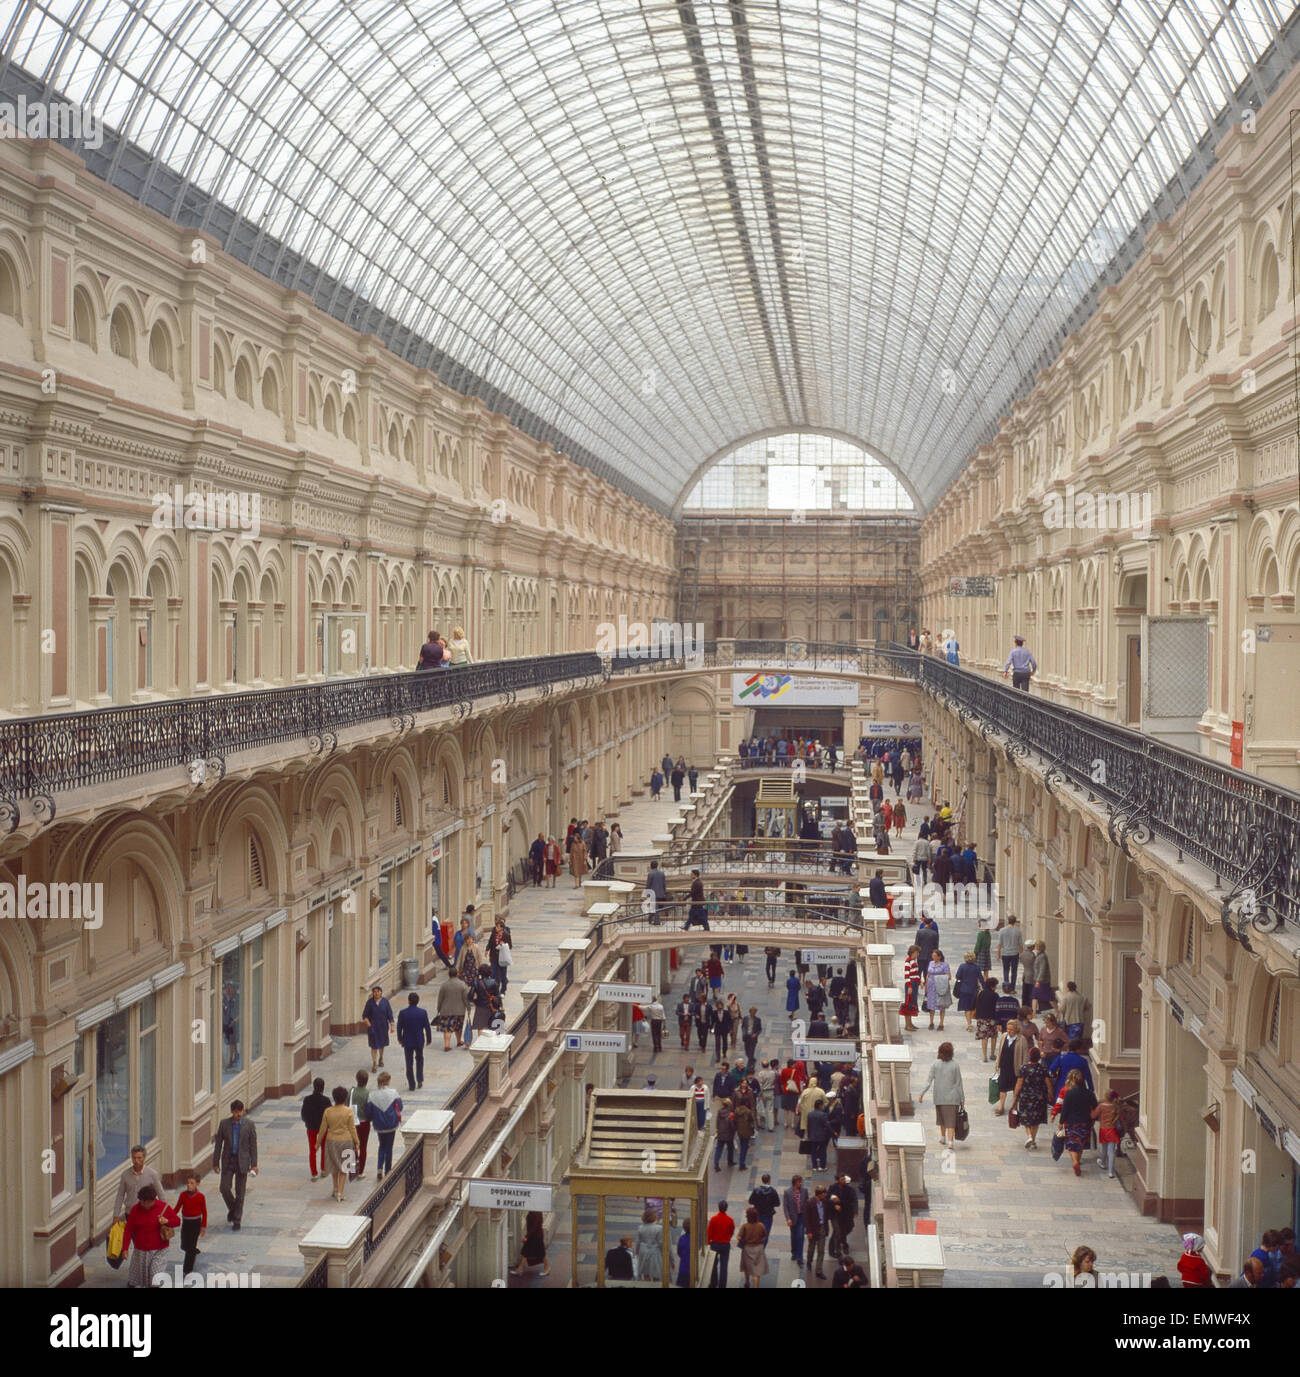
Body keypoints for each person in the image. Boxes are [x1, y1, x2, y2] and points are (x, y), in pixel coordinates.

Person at [121, 1184, 180, 1289]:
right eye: (141, 1201)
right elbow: (128, 1229)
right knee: (136, 1279)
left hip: (159, 1249)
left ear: (153, 1200)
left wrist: (167, 1221)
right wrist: (125, 1248)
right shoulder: (135, 1209)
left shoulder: (163, 1207)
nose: (143, 1204)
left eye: (146, 1202)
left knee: (155, 1277)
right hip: (140, 1251)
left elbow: (177, 1221)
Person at [211, 1099, 257, 1230]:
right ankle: (233, 1209)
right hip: (228, 1160)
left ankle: (237, 1219)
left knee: (240, 1192)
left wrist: (254, 1164)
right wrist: (215, 1162)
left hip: (242, 1161)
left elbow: (253, 1146)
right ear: (232, 1112)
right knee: (224, 1188)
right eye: (236, 1112)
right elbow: (219, 1144)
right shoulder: (224, 1124)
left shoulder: (249, 1125)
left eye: (240, 1111)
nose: (238, 1114)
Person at [918, 1042, 965, 1149]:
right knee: (951, 1121)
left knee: (942, 1119)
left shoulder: (935, 1064)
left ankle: (943, 1137)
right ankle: (951, 1142)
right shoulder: (955, 1065)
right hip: (953, 1098)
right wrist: (962, 1099)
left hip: (939, 1097)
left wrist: (921, 1094)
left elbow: (928, 1081)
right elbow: (958, 1083)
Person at [319, 1085, 360, 1203]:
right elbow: (352, 1129)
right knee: (344, 1168)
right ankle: (340, 1193)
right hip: (346, 1141)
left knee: (334, 1166)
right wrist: (357, 1142)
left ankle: (335, 1188)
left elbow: (323, 1129)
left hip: (331, 1141)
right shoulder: (349, 1111)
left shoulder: (328, 1111)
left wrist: (317, 1143)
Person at [1059, 1068, 1099, 1177]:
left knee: (1072, 1145)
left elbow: (1065, 1109)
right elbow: (1095, 1107)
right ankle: (1078, 1161)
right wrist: (1094, 1119)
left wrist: (1061, 1122)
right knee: (1080, 1144)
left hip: (1071, 1122)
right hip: (1085, 1122)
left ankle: (1075, 1161)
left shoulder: (1069, 1093)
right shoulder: (1089, 1093)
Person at [112, 1144, 164, 1224]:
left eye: (139, 1158)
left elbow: (161, 1194)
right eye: (134, 1158)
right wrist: (116, 1215)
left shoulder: (152, 1174)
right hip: (130, 1213)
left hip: (147, 1213)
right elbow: (120, 1195)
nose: (136, 1160)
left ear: (144, 1158)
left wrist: (163, 1213)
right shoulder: (125, 1174)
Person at [366, 1070, 403, 1180]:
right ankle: (388, 1170)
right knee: (389, 1147)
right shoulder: (394, 1093)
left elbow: (368, 1112)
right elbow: (400, 1107)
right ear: (388, 1081)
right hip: (391, 1125)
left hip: (379, 1125)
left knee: (381, 1145)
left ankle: (379, 1168)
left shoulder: (372, 1095)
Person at [1012, 1046, 1051, 1149]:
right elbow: (1048, 1083)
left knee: (1025, 1117)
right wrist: (1051, 1093)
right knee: (1036, 1120)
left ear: (1029, 1056)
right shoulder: (1043, 1068)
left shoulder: (1024, 1068)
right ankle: (1033, 1141)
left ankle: (1029, 1136)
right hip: (1040, 1097)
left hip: (1026, 1097)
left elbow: (1019, 1084)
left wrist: (1015, 1095)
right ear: (1039, 1057)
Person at [396, 991, 432, 1091]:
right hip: (419, 1040)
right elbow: (427, 1027)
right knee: (419, 1060)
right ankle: (419, 1079)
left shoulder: (403, 1013)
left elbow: (399, 1027)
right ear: (418, 1001)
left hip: (407, 1041)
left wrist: (399, 1038)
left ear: (408, 1001)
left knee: (409, 1062)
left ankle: (411, 1084)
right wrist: (429, 1039)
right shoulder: (423, 1012)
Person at [174, 1172, 207, 1276]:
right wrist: (169, 1217)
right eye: (188, 1183)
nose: (189, 1185)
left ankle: (187, 1270)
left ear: (197, 1184)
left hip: (196, 1224)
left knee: (190, 1248)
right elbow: (177, 1207)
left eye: (192, 1183)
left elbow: (204, 1212)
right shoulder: (183, 1195)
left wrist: (203, 1227)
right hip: (186, 1223)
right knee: (184, 1245)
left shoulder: (200, 1197)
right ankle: (193, 1251)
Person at [994, 1019, 1030, 1115]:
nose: (1009, 1031)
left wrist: (1024, 1069)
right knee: (1002, 1087)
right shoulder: (1004, 1036)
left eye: (1011, 1029)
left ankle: (1014, 1107)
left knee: (1016, 1089)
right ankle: (1001, 1107)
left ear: (1016, 1030)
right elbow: (1000, 1051)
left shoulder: (1022, 1040)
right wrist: (997, 1063)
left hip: (1016, 1069)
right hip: (1004, 1067)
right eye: (1008, 1029)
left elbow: (1025, 1056)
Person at [301, 1076, 330, 1179]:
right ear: (323, 1087)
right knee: (324, 1148)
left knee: (312, 1150)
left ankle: (314, 1173)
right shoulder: (326, 1100)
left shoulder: (307, 1099)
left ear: (313, 1087)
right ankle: (323, 1169)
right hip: (323, 1128)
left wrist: (307, 1122)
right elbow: (329, 1116)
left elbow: (303, 1114)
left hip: (311, 1127)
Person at [362, 984, 394, 1072]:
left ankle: (381, 1058)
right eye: (374, 992)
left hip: (383, 1027)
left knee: (381, 1045)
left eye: (378, 991)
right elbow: (365, 1016)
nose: (376, 993)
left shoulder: (385, 1002)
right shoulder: (369, 1003)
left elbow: (390, 1014)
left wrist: (392, 1025)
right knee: (374, 1046)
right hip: (373, 1028)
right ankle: (374, 1063)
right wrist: (369, 1026)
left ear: (381, 992)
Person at [510, 1210, 550, 1279]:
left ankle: (547, 1268)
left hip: (536, 1236)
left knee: (540, 1252)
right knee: (526, 1251)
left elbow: (534, 1226)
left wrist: (527, 1237)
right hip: (535, 1235)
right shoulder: (534, 1211)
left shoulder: (536, 1212)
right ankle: (520, 1268)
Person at [1091, 1088, 1122, 1178]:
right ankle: (1110, 1172)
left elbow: (1093, 1115)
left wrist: (1091, 1109)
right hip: (1112, 1130)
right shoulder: (1115, 1106)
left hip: (1103, 1130)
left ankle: (1103, 1162)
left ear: (1105, 1097)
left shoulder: (1101, 1106)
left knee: (1104, 1149)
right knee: (1111, 1151)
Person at [435, 971, 469, 1051]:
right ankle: (459, 1041)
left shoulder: (444, 985)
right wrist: (468, 1007)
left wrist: (438, 1008)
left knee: (447, 1029)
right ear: (457, 974)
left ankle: (447, 1045)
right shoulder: (462, 984)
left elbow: (440, 998)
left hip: (446, 1010)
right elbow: (465, 998)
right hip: (459, 1010)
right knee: (458, 1027)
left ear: (449, 975)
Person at [827, 1174, 858, 1259]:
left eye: (844, 1179)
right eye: (842, 1179)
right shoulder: (832, 1188)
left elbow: (853, 1200)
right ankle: (835, 1250)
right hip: (835, 1214)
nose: (844, 1181)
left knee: (847, 1229)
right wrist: (834, 1205)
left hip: (845, 1213)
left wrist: (855, 1211)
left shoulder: (849, 1189)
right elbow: (826, 1200)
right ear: (838, 1180)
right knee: (837, 1231)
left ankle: (843, 1244)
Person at [737, 1206, 769, 1287]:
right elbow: (764, 1235)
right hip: (758, 1249)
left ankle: (747, 1282)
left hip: (747, 1248)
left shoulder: (744, 1226)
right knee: (756, 1272)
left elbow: (739, 1237)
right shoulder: (760, 1225)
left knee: (747, 1268)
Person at [347, 1070, 371, 1178]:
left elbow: (346, 1105)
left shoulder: (350, 1092)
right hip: (364, 1123)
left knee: (353, 1146)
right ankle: (360, 1171)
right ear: (367, 1081)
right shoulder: (367, 1093)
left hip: (352, 1123)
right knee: (363, 1147)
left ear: (356, 1079)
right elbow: (370, 1110)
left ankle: (352, 1170)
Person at [804, 1185, 830, 1278]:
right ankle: (809, 1261)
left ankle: (818, 1271)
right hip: (813, 1229)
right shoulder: (810, 1202)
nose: (825, 1195)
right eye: (824, 1193)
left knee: (821, 1250)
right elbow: (806, 1219)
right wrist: (808, 1232)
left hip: (822, 1228)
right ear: (819, 1194)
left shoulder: (825, 1202)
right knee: (811, 1248)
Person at [707, 1201, 735, 1288]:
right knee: (724, 1265)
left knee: (713, 1265)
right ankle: (722, 1285)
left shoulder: (713, 1219)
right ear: (726, 1208)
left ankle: (713, 1283)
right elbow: (731, 1231)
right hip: (725, 1244)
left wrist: (708, 1243)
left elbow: (709, 1233)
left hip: (715, 1244)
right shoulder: (730, 1220)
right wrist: (727, 1238)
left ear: (718, 1207)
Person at [925, 948, 952, 1031]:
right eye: (932, 956)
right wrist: (926, 985)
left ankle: (941, 1023)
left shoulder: (944, 965)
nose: (933, 957)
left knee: (941, 1005)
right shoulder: (930, 963)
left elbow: (949, 976)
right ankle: (931, 1022)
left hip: (940, 987)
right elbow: (928, 974)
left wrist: (938, 978)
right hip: (931, 986)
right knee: (931, 1006)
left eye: (935, 956)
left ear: (939, 957)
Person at [783, 1175, 808, 1267]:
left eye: (801, 1181)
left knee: (800, 1237)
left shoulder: (804, 1191)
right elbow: (785, 1206)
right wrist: (788, 1218)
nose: (801, 1183)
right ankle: (794, 1252)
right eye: (799, 1182)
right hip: (793, 1217)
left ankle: (799, 1258)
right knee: (794, 1236)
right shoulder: (787, 1192)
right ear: (795, 1182)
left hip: (801, 1216)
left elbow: (807, 1203)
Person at [954, 951, 981, 1032]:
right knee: (973, 1007)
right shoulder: (977, 967)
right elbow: (981, 978)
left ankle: (969, 1024)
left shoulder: (962, 966)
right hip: (974, 990)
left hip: (964, 990)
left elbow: (957, 976)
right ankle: (971, 1022)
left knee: (967, 1008)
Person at [750, 1174, 780, 1245]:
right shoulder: (773, 1191)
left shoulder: (756, 1190)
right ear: (769, 1180)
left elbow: (751, 1201)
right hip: (768, 1215)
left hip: (757, 1214)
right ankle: (762, 1249)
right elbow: (777, 1203)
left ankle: (756, 1247)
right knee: (765, 1233)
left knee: (757, 1232)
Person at [635, 1208, 664, 1283]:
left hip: (643, 1251)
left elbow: (638, 1241)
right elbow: (661, 1242)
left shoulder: (640, 1227)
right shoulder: (659, 1228)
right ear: (654, 1217)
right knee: (656, 1274)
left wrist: (636, 1251)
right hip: (655, 1252)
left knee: (645, 1273)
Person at [486, 918, 513, 995]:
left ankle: (503, 990)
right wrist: (487, 949)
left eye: (497, 927)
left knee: (503, 975)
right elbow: (490, 942)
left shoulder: (506, 935)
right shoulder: (494, 934)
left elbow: (510, 946)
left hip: (503, 959)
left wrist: (504, 944)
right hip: (494, 957)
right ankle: (495, 990)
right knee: (494, 974)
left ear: (501, 928)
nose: (496, 928)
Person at [998, 916, 1024, 990]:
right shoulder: (1018, 931)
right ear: (1015, 922)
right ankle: (1012, 987)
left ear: (1008, 921)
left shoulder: (1002, 930)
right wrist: (1021, 954)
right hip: (1015, 953)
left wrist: (998, 954)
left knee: (1006, 970)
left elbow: (1000, 944)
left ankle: (1006, 985)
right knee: (1014, 971)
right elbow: (1020, 945)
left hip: (1005, 953)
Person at [806, 1099, 832, 1171]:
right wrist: (832, 1132)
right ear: (820, 1106)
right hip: (821, 1137)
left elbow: (808, 1126)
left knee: (813, 1152)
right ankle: (822, 1166)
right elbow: (827, 1125)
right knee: (822, 1152)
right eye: (822, 1105)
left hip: (813, 1136)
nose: (823, 1106)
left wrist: (809, 1135)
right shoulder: (823, 1115)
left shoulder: (810, 1114)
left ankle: (814, 1166)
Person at [1027, 941, 1052, 1013]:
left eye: (1036, 946)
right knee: (1034, 996)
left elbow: (1042, 969)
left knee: (1049, 997)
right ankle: (1034, 1012)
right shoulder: (1039, 955)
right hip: (1039, 980)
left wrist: (1038, 981)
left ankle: (1056, 1009)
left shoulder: (1042, 957)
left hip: (1042, 981)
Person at [734, 1096, 757, 1170]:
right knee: (744, 1147)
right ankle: (742, 1163)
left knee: (742, 1145)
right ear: (746, 1103)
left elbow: (735, 1121)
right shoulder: (748, 1111)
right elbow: (751, 1121)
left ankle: (741, 1161)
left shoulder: (736, 1111)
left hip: (739, 1131)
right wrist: (753, 1130)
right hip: (747, 1132)